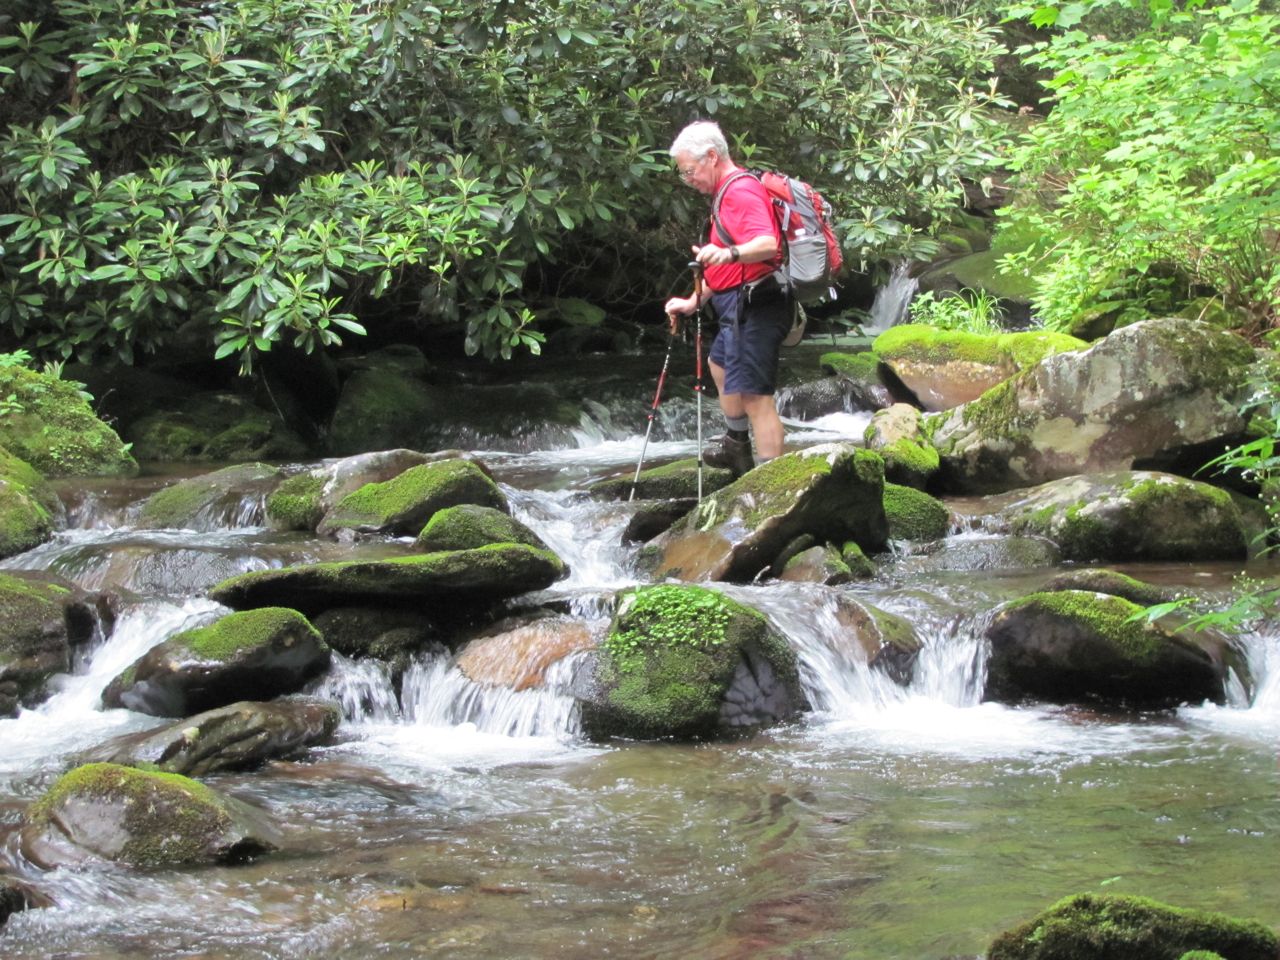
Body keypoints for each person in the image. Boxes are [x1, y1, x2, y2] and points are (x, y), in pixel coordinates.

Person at [663, 120, 790, 478]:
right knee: (720, 365)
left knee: (755, 397)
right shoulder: (725, 195)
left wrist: (730, 253)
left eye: (690, 171)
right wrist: (693, 302)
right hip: (738, 302)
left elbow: (767, 245)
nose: (688, 180)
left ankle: (772, 486)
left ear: (712, 157)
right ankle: (737, 447)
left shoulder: (740, 191)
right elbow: (721, 267)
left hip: (760, 302)